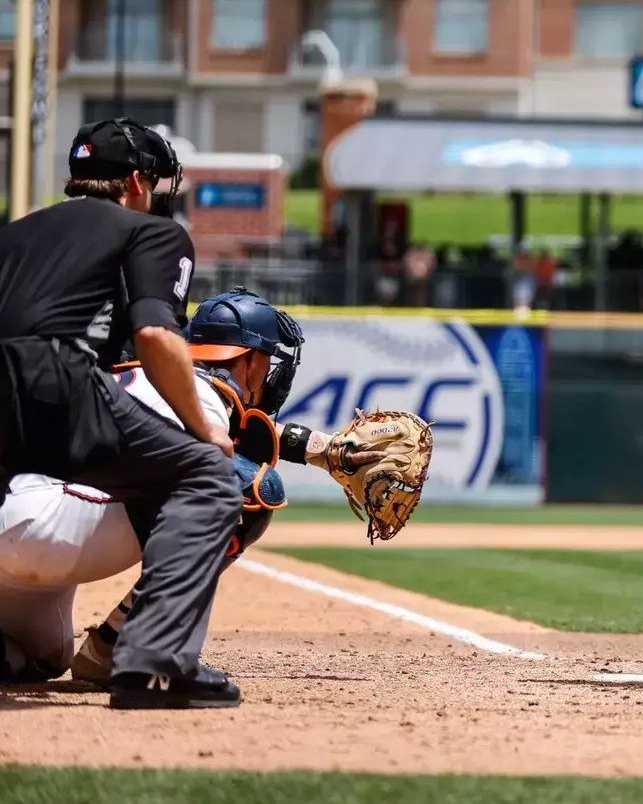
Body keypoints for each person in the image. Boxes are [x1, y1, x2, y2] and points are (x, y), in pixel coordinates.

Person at [0, 288, 377, 688]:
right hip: (49, 534)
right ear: (251, 361)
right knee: (243, 486)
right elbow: (231, 442)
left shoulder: (148, 374)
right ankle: (120, 650)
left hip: (22, 516)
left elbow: (240, 429)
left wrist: (327, 450)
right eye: (267, 360)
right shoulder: (204, 397)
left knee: (43, 653)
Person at [0, 119, 246, 708]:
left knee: (45, 646)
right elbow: (156, 335)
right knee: (209, 477)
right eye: (155, 184)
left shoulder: (15, 233)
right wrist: (205, 431)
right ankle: (151, 665)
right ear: (136, 182)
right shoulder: (151, 231)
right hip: (53, 375)